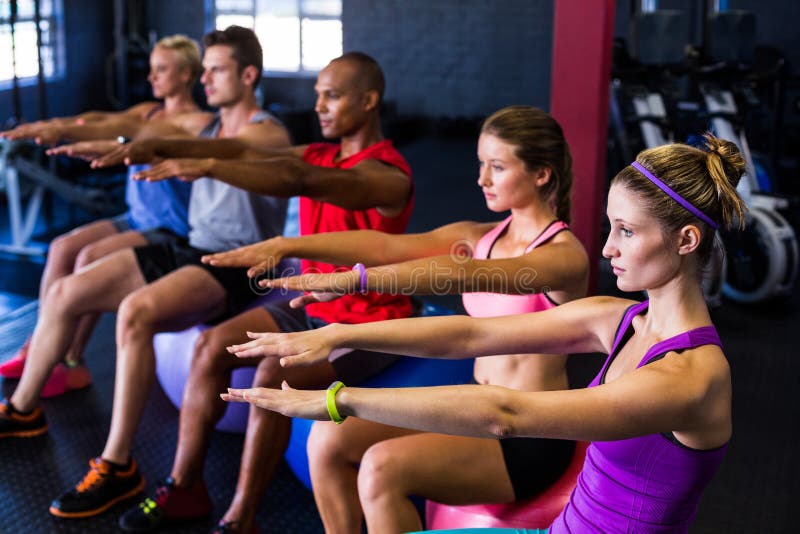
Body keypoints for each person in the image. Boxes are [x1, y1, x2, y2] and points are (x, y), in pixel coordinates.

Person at [224, 133, 746, 533]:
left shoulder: (690, 378)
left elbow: (506, 414)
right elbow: (472, 337)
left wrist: (339, 399)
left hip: (534, 459)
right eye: (612, 227)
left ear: (686, 240)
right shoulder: (621, 320)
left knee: (382, 467)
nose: (608, 248)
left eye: (627, 231)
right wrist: (341, 334)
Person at [205, 105, 589, 533]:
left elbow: (465, 274)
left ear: (541, 174)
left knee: (382, 469)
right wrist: (288, 244)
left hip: (527, 433)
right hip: (474, 407)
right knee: (327, 439)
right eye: (481, 164)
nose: (482, 179)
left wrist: (354, 281)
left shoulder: (562, 258)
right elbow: (385, 246)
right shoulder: (482, 235)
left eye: (497, 167)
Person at [106, 52, 415, 534]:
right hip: (313, 307)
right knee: (211, 346)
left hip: (368, 323)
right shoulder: (320, 152)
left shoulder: (387, 175)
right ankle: (184, 487)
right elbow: (249, 155)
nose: (319, 106)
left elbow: (297, 179)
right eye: (317, 95)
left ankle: (241, 517)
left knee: (274, 370)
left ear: (369, 100)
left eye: (332, 96)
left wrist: (209, 165)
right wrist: (154, 145)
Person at [0, 25, 290, 519]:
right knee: (67, 291)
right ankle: (22, 410)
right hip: (191, 249)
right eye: (204, 70)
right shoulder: (204, 129)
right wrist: (73, 132)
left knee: (134, 312)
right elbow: (137, 126)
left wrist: (172, 151)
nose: (205, 79)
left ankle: (117, 465)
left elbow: (236, 150)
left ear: (248, 75)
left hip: (240, 265)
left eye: (216, 70)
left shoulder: (267, 131)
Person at [0, 34, 209, 397]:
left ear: (186, 74)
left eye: (161, 70)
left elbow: (128, 131)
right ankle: (37, 348)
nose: (151, 77)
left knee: (90, 257)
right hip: (136, 218)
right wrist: (56, 125)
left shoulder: (199, 123)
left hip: (171, 228)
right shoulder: (148, 111)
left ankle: (71, 361)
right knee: (62, 247)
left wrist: (65, 131)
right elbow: (100, 119)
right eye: (152, 69)